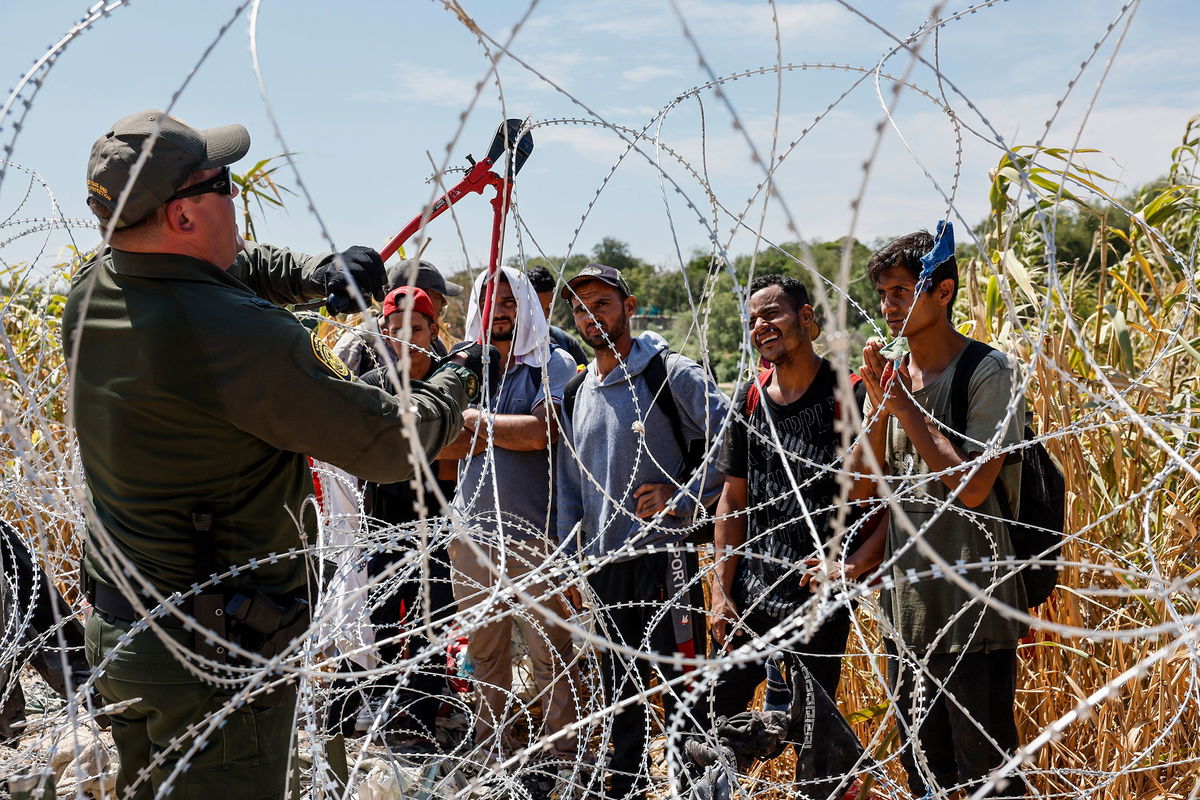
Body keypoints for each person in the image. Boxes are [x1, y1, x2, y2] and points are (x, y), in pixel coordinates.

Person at [66, 109, 485, 800]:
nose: (237, 198)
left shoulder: (96, 288)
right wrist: (457, 372)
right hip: (212, 656)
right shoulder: (237, 336)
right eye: (223, 183)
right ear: (181, 216)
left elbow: (228, 267)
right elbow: (387, 445)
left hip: (123, 633)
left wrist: (318, 274)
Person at [848, 226, 1027, 798]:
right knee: (929, 774)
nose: (888, 306)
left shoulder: (986, 372)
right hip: (908, 610)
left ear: (943, 292)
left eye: (901, 291)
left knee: (986, 776)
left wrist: (904, 408)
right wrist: (881, 405)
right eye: (882, 295)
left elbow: (974, 488)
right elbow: (860, 485)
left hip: (972, 606)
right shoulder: (896, 380)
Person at [707, 274, 886, 796]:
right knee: (713, 715)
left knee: (815, 738)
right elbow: (732, 499)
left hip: (816, 602)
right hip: (752, 596)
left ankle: (842, 783)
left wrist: (851, 568)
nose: (762, 326)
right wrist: (721, 591)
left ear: (806, 319)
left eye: (774, 315)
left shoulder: (846, 395)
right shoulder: (750, 399)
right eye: (754, 319)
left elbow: (878, 497)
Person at [555, 263, 728, 800]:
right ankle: (624, 787)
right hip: (604, 566)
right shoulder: (578, 390)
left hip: (664, 561)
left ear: (629, 307)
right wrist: (567, 559)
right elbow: (570, 485)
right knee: (619, 693)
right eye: (580, 308)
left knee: (684, 688)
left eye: (601, 303)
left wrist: (681, 497)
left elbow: (731, 436)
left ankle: (698, 787)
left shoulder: (668, 373)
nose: (590, 316)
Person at [441, 267, 581, 767]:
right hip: (472, 532)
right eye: (489, 300)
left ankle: (567, 755)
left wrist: (478, 422)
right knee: (485, 649)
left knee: (552, 652)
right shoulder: (463, 368)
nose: (499, 310)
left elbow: (541, 433)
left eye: (509, 301)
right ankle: (488, 751)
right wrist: (494, 429)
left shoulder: (553, 365)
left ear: (526, 305)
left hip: (534, 532)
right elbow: (445, 441)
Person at [355, 286, 458, 749]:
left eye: (417, 328)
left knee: (429, 624)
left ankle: (419, 720)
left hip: (437, 523)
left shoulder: (448, 381)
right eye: (396, 330)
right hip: (382, 520)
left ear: (434, 330)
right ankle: (382, 701)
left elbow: (456, 451)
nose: (406, 339)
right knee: (381, 616)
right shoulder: (374, 384)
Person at [334, 259, 463, 376]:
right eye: (438, 295)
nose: (444, 302)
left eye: (417, 329)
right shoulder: (358, 344)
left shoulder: (434, 342)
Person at [526, 264, 589, 366]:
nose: (543, 316)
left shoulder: (565, 342)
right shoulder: (505, 344)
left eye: (548, 309)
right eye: (536, 309)